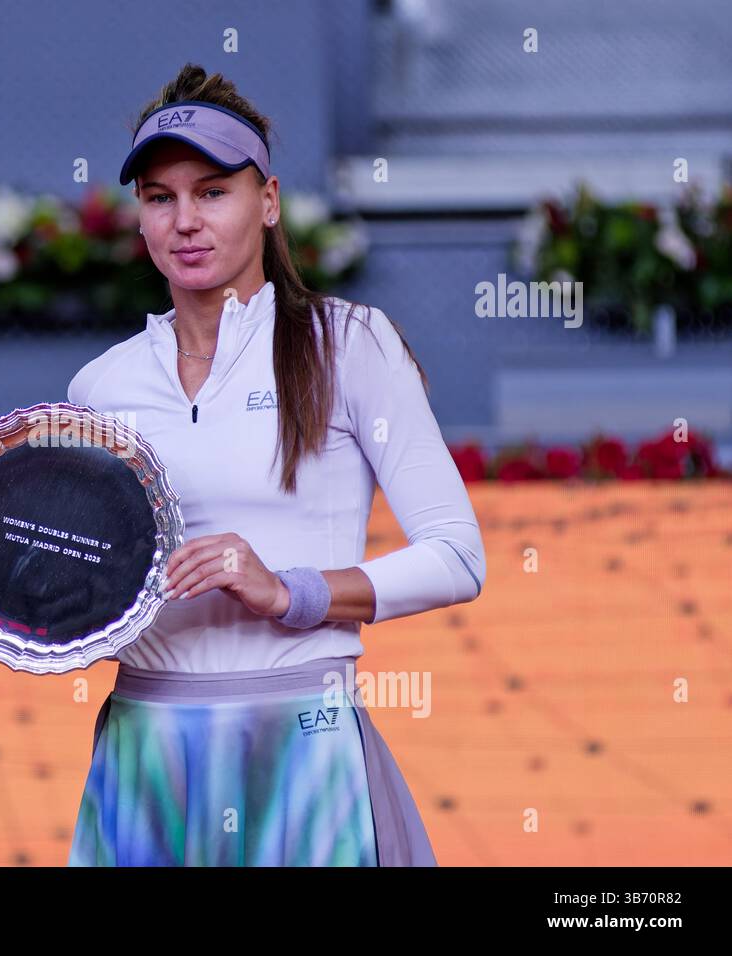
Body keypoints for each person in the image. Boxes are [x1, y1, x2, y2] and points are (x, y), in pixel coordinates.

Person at [60, 64, 485, 865]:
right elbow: (91, 588)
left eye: (213, 191)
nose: (185, 220)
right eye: (160, 197)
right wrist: (18, 610)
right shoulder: (100, 385)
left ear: (270, 202)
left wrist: (292, 590)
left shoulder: (349, 343)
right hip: (144, 748)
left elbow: (459, 557)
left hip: (302, 742)